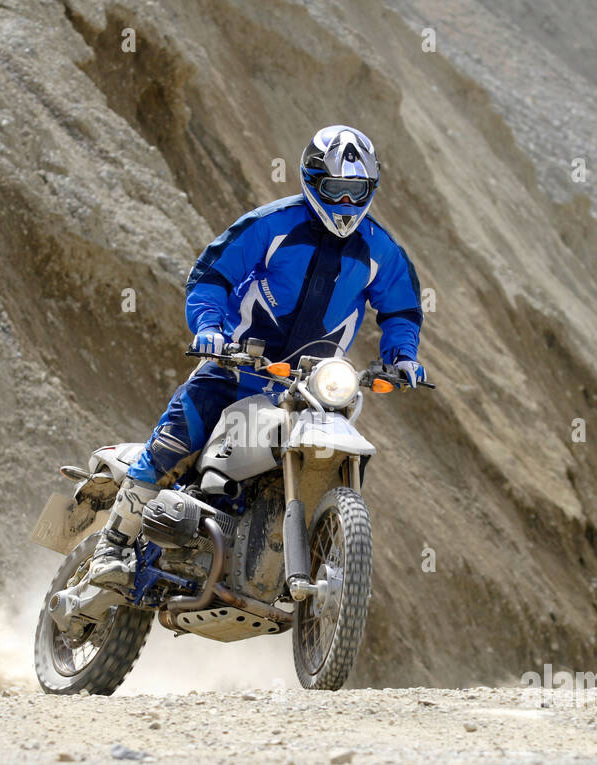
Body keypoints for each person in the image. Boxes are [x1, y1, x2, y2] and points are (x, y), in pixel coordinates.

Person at [89, 124, 427, 588]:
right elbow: (212, 275)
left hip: (311, 390)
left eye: (357, 192)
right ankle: (110, 547)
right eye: (336, 190)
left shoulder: (380, 251)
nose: (347, 203)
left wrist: (403, 357)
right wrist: (210, 328)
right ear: (312, 181)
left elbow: (403, 309)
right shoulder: (272, 224)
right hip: (237, 367)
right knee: (177, 440)